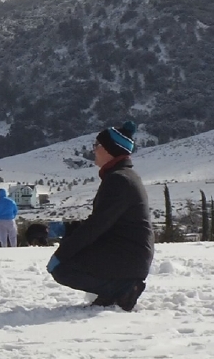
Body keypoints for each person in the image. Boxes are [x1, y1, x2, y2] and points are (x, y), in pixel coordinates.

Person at [45, 121, 153, 312]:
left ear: (109, 149)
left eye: (97, 146)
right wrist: (67, 228)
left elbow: (97, 226)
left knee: (64, 268)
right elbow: (103, 222)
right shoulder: (123, 176)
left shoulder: (118, 180)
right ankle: (114, 292)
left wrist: (62, 254)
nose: (94, 150)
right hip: (128, 255)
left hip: (128, 258)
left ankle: (123, 289)